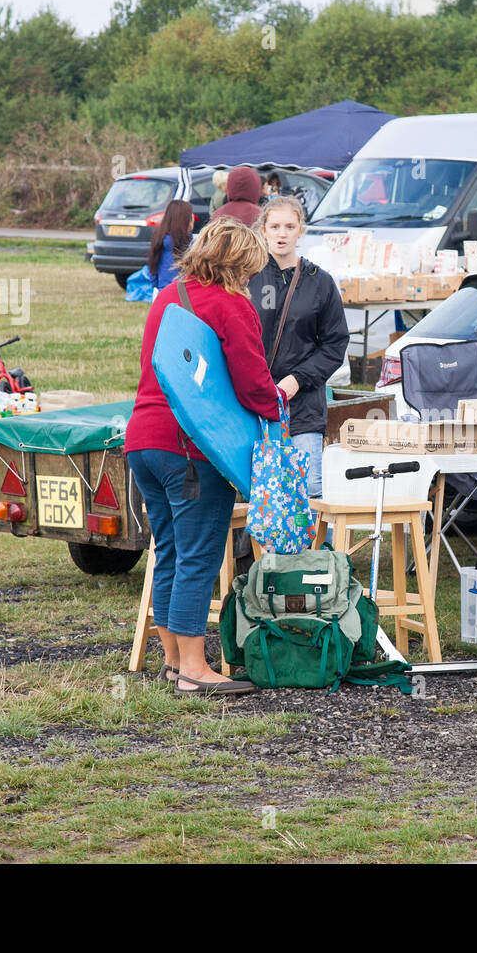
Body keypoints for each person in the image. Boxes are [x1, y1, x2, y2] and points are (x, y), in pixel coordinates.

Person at [124, 218, 281, 695]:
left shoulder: (169, 296)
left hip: (142, 441)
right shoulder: (232, 305)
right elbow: (254, 385)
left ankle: (174, 662)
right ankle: (194, 669)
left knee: (170, 550)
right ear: (240, 264)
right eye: (251, 269)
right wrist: (280, 404)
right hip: (190, 449)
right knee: (199, 555)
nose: (253, 279)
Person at [249, 196, 349, 498]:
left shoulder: (320, 283)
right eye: (275, 226)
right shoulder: (247, 277)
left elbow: (334, 344)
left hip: (302, 406)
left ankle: (317, 548)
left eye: (289, 226)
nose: (282, 233)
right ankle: (263, 549)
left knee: (307, 493)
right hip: (253, 405)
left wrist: (298, 379)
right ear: (263, 230)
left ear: (300, 230)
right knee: (262, 497)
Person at [148, 199, 193, 293]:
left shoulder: (159, 237)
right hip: (181, 291)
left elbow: (153, 268)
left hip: (162, 289)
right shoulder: (188, 241)